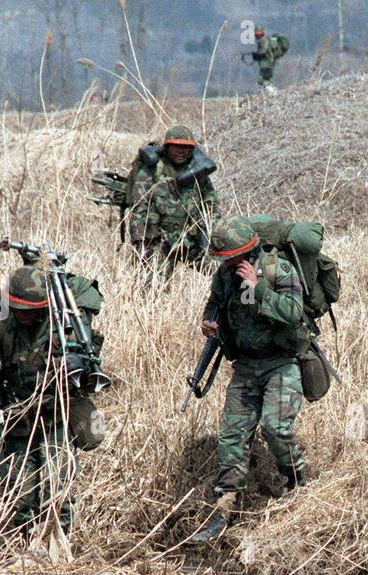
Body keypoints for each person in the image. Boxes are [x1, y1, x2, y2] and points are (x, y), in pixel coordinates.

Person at [187, 217, 311, 545]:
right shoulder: (224, 276)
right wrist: (209, 323)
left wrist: (258, 289)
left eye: (231, 258)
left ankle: (298, 482)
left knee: (275, 427)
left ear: (247, 251)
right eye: (223, 259)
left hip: (281, 364)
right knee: (231, 436)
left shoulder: (278, 269)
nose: (227, 263)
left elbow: (293, 313)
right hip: (244, 366)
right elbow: (215, 306)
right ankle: (224, 506)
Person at [0, 267, 99, 546]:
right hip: (18, 423)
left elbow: (91, 374)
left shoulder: (64, 327)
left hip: (56, 418)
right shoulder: (3, 329)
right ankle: (25, 547)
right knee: (21, 495)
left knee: (56, 491)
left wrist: (77, 364)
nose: (24, 315)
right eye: (19, 309)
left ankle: (57, 548)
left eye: (31, 310)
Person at [128, 125, 217, 278]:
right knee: (154, 284)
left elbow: (211, 206)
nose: (182, 151)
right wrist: (140, 243)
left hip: (190, 239)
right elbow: (139, 207)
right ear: (167, 147)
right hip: (159, 241)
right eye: (177, 147)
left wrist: (213, 236)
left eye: (187, 148)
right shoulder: (153, 170)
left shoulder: (198, 172)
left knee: (218, 272)